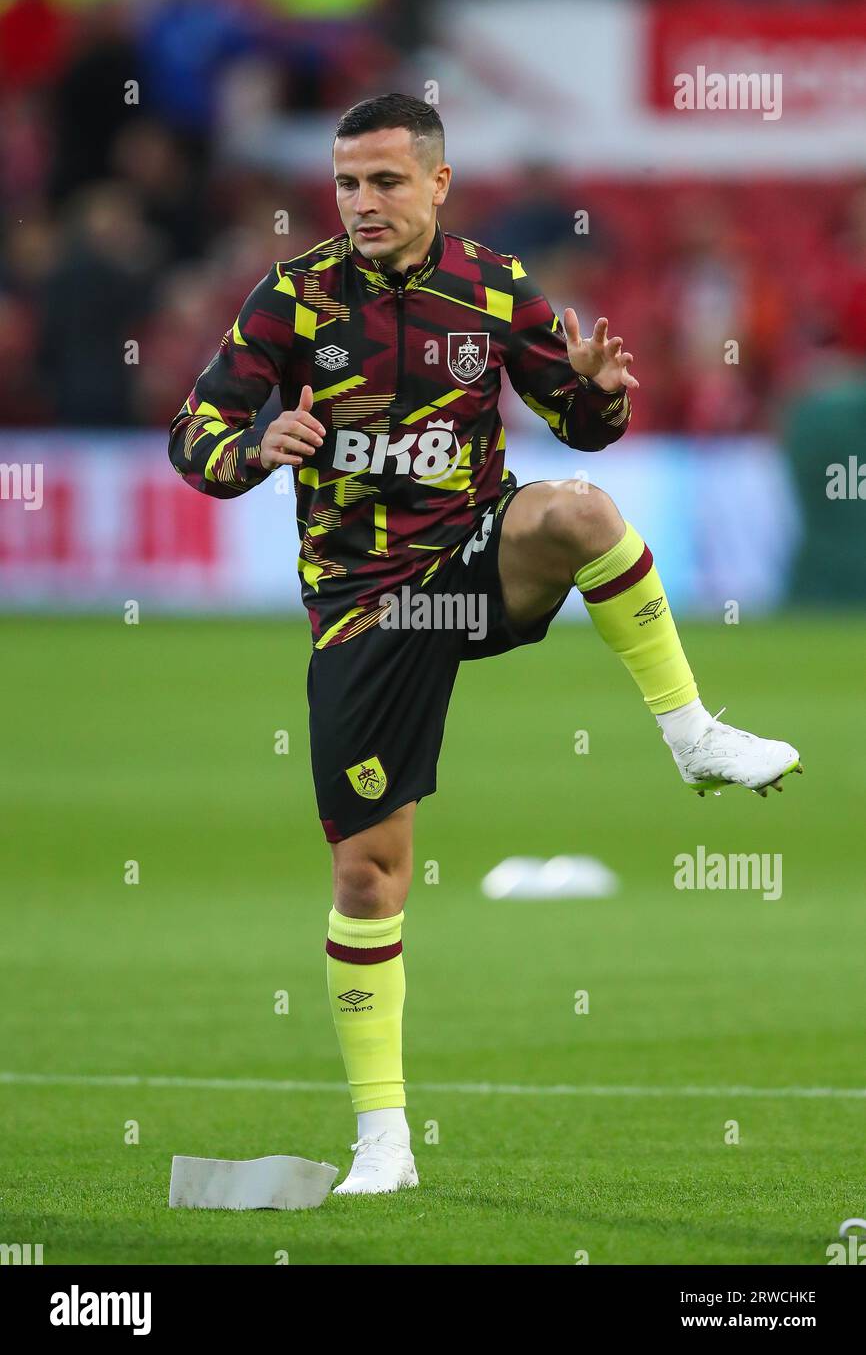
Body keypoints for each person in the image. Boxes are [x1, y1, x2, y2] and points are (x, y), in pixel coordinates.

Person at [168, 94, 801, 1196]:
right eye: (347, 183)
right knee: (369, 878)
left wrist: (599, 395)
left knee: (582, 510)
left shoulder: (494, 287)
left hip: (471, 562)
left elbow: (578, 414)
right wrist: (255, 442)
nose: (362, 203)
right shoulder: (292, 297)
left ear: (438, 183)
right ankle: (385, 1141)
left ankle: (691, 735)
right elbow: (193, 431)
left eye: (385, 181)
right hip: (369, 607)